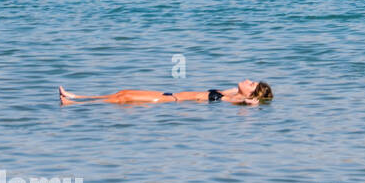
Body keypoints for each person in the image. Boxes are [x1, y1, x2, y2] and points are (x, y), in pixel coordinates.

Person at [59, 80, 272, 105]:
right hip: (169, 94)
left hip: (167, 101)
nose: (247, 80)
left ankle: (74, 102)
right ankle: (77, 96)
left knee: (123, 99)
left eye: (251, 83)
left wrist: (250, 102)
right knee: (122, 91)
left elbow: (247, 104)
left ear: (251, 94)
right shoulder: (233, 91)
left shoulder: (237, 99)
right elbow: (238, 89)